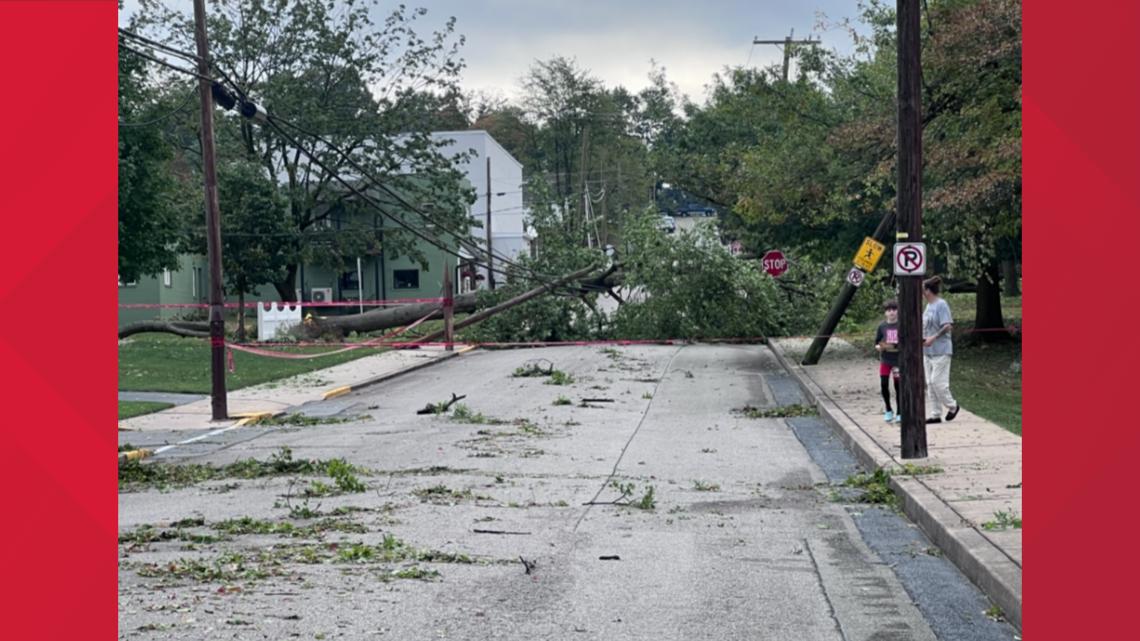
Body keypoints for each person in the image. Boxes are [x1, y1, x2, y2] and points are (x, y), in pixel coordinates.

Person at [922, 276, 960, 424]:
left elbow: (948, 325)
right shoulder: (927, 307)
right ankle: (936, 414)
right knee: (930, 384)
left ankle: (953, 406)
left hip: (942, 350)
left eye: (922, 289)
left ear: (927, 291)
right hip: (928, 352)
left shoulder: (941, 305)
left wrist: (934, 337)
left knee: (937, 382)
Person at [874, 299, 902, 423]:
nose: (891, 313)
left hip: (898, 360)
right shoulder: (882, 326)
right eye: (889, 310)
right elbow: (876, 342)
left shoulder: (901, 325)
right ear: (885, 313)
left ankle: (900, 411)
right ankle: (888, 409)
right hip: (885, 360)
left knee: (898, 386)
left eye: (894, 310)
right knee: (884, 384)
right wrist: (879, 347)